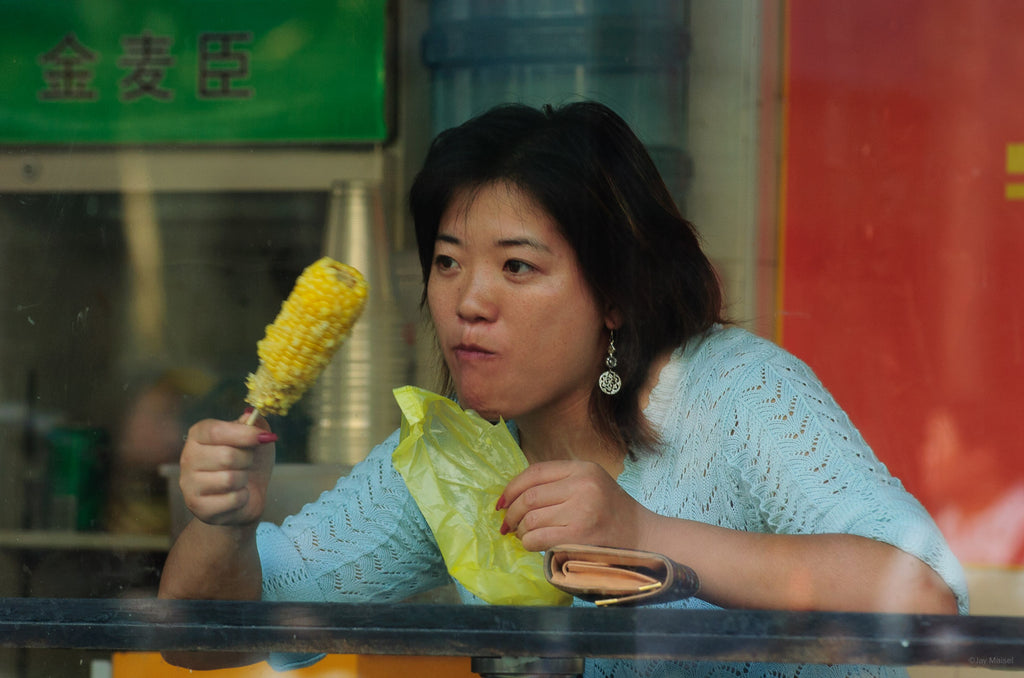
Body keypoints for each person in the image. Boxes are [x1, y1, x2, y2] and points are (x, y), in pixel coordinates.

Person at [158, 102, 968, 677]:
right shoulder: (450, 460)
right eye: (448, 262)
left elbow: (922, 597)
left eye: (518, 267)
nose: (469, 301)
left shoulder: (732, 389)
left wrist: (641, 529)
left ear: (614, 293)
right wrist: (220, 527)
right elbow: (207, 642)